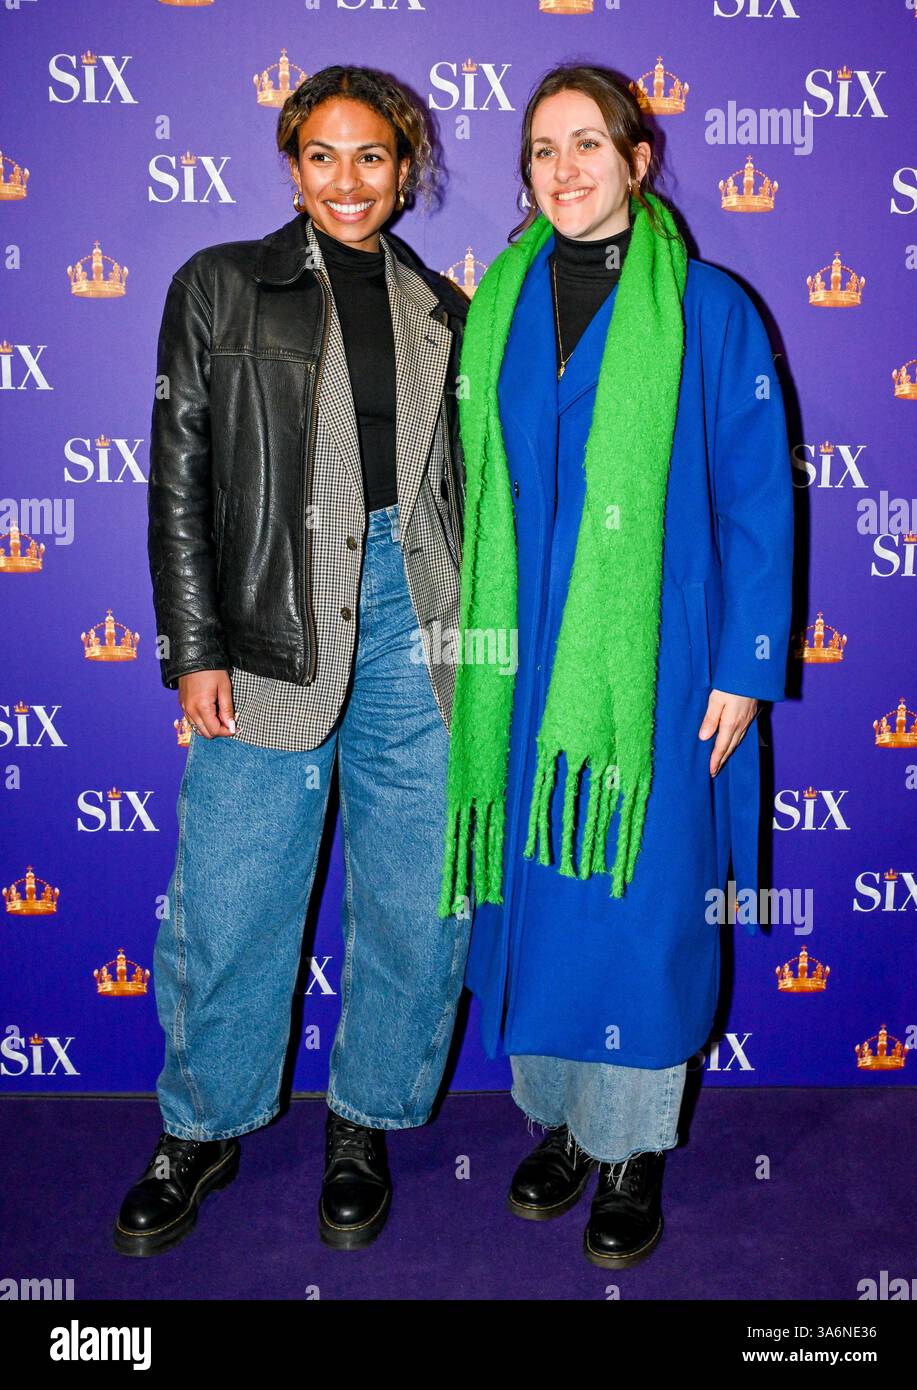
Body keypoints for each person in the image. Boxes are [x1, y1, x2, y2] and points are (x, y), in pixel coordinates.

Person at [438, 64, 794, 1268]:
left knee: (640, 905)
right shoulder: (495, 309)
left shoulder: (709, 309)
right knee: (542, 898)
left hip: (658, 662)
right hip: (528, 664)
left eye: (588, 144)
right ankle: (563, 1124)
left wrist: (745, 664)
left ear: (638, 160)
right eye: (542, 150)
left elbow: (756, 502)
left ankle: (633, 1145)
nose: (565, 169)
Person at [115, 66, 470, 1257]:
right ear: (291, 164)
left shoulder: (444, 308)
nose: (348, 180)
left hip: (417, 617)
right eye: (322, 155)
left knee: (418, 894)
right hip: (271, 615)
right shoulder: (221, 285)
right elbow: (178, 479)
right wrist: (192, 645)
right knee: (231, 893)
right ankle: (201, 1127)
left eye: (372, 156)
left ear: (405, 166)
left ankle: (364, 1118)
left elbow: (461, 499)